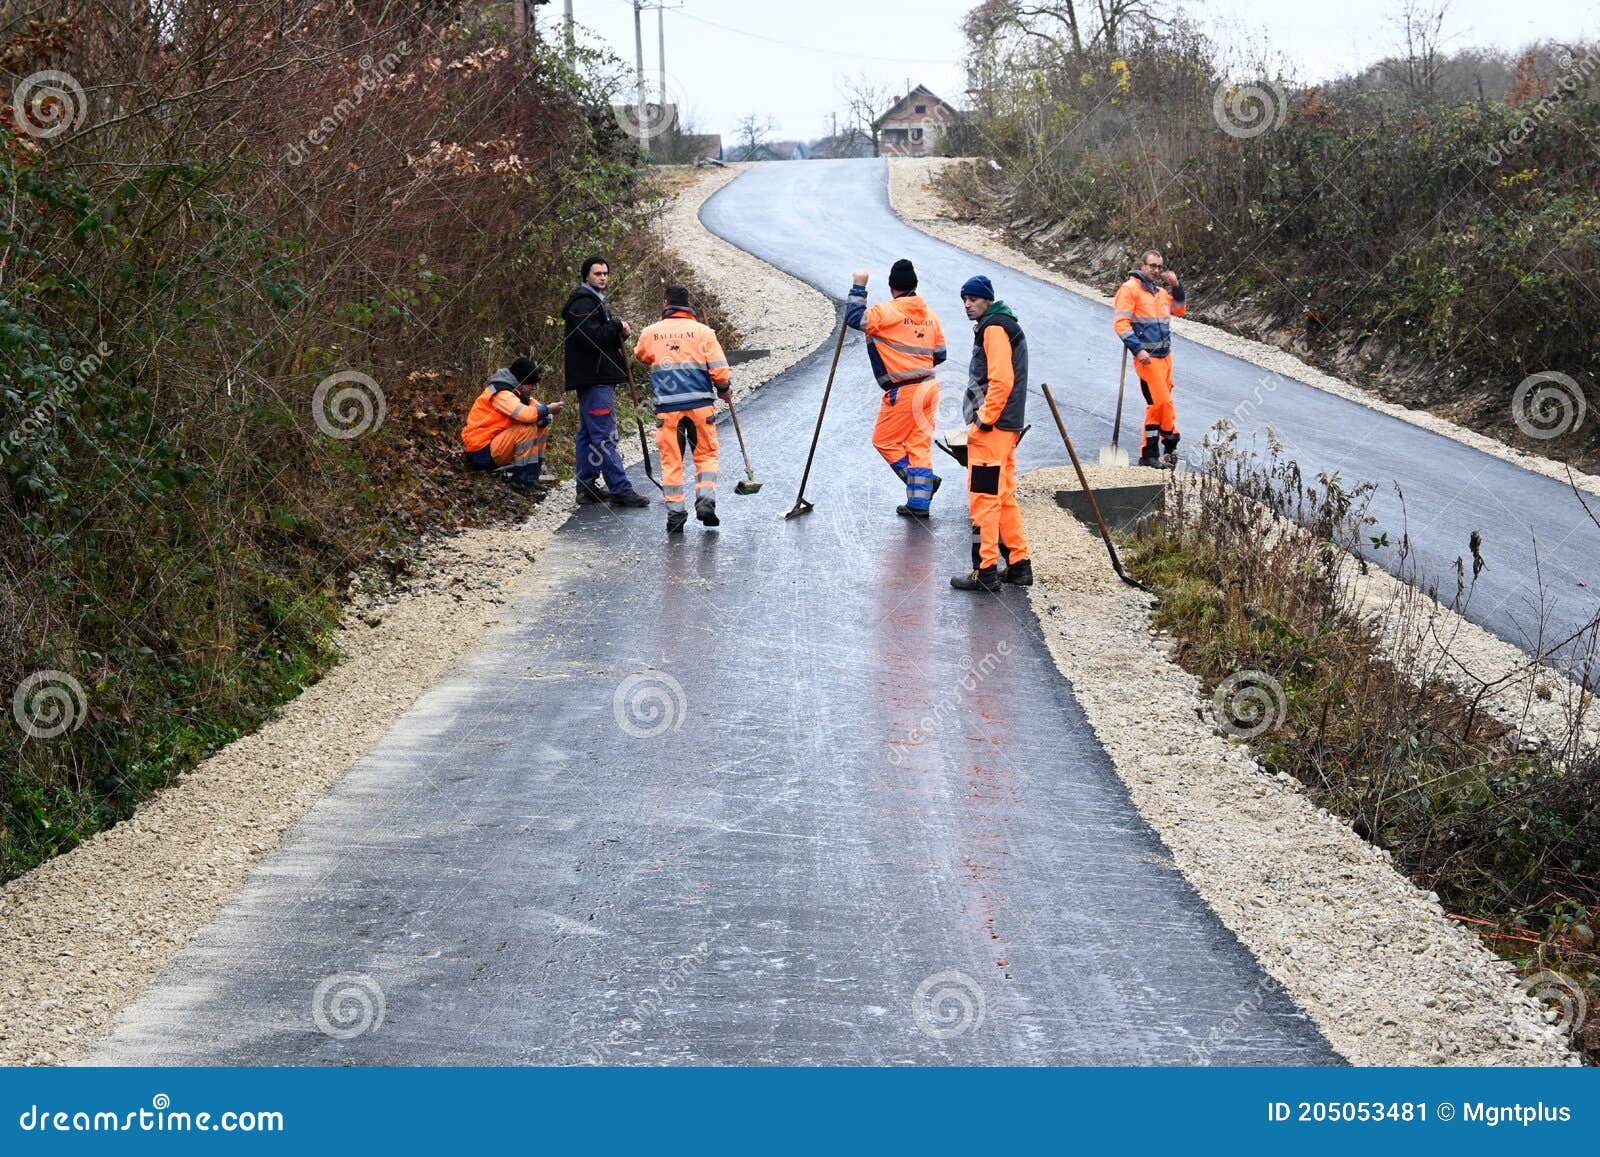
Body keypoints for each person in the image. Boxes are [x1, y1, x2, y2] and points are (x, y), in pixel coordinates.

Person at [843, 258, 947, 517]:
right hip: (929, 387)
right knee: (918, 444)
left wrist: (859, 285)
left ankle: (924, 483)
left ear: (892, 287)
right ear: (914, 285)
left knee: (885, 440)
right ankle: (919, 504)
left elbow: (854, 318)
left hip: (904, 390)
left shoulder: (887, 312)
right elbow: (940, 354)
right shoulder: (930, 317)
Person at [951, 275, 1033, 592]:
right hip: (1007, 427)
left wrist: (984, 420)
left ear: (988, 300)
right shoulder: (1002, 324)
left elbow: (1001, 380)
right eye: (964, 299)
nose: (967, 304)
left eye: (973, 299)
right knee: (1004, 496)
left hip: (993, 429)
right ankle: (1018, 565)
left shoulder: (994, 328)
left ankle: (984, 571)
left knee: (984, 499)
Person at [633, 285, 732, 535]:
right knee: (706, 455)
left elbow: (641, 356)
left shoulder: (650, 333)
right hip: (700, 407)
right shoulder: (704, 332)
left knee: (671, 460)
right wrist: (723, 389)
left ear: (665, 303)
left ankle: (676, 515)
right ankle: (705, 501)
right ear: (688, 305)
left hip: (668, 409)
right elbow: (720, 370)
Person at [561, 254, 649, 507]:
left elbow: (602, 338)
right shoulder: (583, 303)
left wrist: (619, 331)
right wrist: (617, 326)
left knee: (588, 434)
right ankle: (620, 489)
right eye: (597, 273)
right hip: (595, 378)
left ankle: (586, 486)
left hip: (595, 377)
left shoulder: (594, 301)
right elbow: (591, 338)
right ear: (586, 276)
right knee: (604, 436)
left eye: (605, 273)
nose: (603, 278)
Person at [1112, 249, 1186, 468]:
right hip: (1147, 359)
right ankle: (1170, 442)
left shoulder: (1160, 292)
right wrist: (1138, 350)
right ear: (1142, 266)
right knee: (1163, 403)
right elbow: (1121, 324)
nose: (1156, 270)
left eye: (1159, 267)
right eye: (1152, 266)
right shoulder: (1129, 289)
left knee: (1156, 406)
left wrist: (1176, 286)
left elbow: (1179, 310)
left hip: (1166, 358)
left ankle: (1149, 454)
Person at [460, 357, 561, 491]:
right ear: (521, 381)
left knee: (540, 427)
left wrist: (545, 415)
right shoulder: (501, 393)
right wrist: (547, 409)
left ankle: (530, 479)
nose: (534, 388)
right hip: (480, 451)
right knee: (526, 428)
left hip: (493, 445)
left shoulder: (517, 393)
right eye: (531, 384)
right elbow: (526, 415)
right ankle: (520, 481)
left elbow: (539, 412)